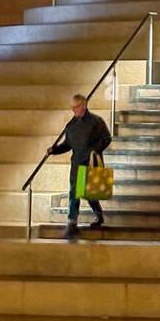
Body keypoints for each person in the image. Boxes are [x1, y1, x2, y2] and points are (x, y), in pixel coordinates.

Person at [47, 93, 113, 238]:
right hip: (77, 163)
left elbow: (107, 138)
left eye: (76, 107)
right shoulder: (71, 126)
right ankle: (72, 222)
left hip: (90, 162)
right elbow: (67, 145)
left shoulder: (96, 122)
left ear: (84, 106)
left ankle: (98, 215)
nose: (74, 110)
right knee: (74, 193)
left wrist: (95, 149)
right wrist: (55, 150)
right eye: (72, 108)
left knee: (89, 193)